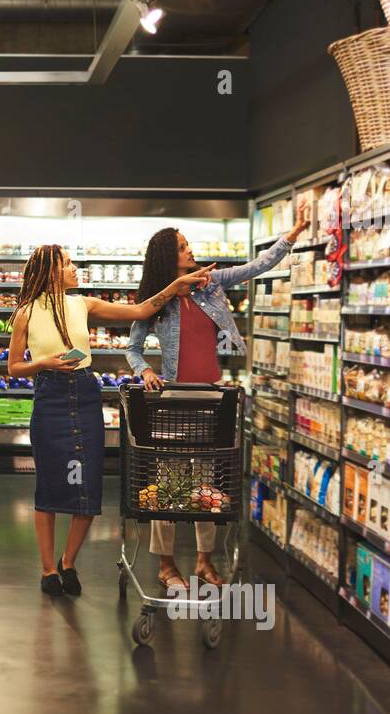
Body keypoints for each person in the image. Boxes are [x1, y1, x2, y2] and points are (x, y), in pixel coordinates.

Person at [7, 244, 212, 597]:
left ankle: (68, 562)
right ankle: (47, 569)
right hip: (50, 396)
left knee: (87, 483)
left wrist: (175, 287)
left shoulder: (83, 303)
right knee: (50, 485)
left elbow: (140, 309)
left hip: (85, 393)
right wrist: (45, 364)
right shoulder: (26, 312)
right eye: (69, 264)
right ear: (52, 271)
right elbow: (13, 367)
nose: (75, 269)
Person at [126, 220, 308, 590]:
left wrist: (291, 236)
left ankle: (203, 562)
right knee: (169, 485)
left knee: (207, 486)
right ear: (166, 257)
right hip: (174, 397)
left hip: (211, 396)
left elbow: (257, 266)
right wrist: (145, 370)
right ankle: (166, 566)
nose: (190, 250)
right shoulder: (156, 301)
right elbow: (133, 347)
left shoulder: (211, 285)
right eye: (182, 246)